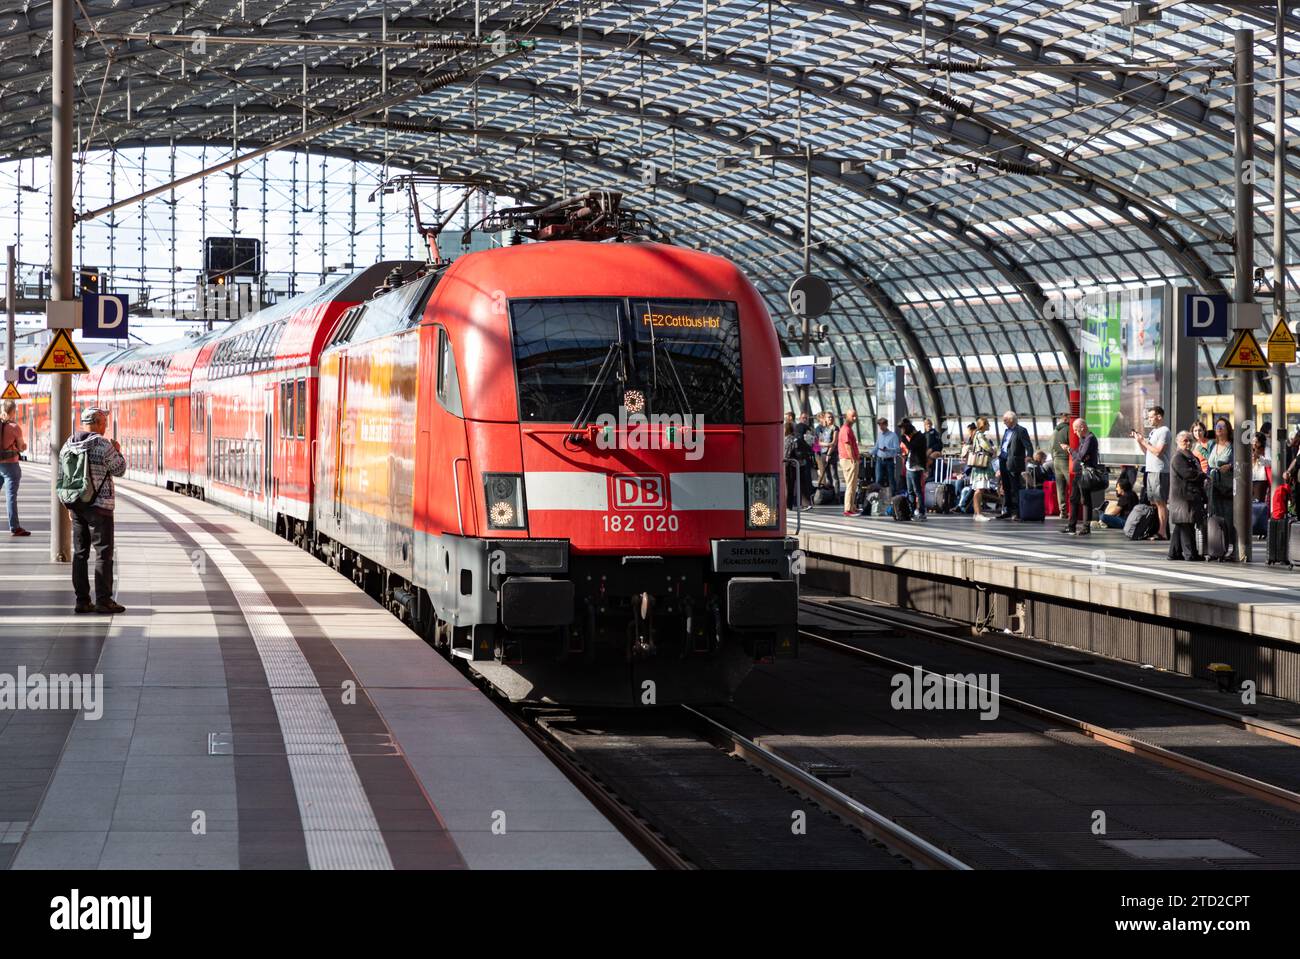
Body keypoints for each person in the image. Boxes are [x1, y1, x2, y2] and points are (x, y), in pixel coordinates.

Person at [61, 407, 127, 614]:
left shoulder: (68, 444)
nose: (106, 426)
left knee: (80, 553)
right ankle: (104, 600)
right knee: (103, 553)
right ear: (97, 423)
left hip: (76, 505)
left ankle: (82, 600)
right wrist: (117, 450)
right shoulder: (103, 445)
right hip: (101, 506)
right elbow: (120, 469)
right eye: (104, 423)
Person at [1132, 405, 1170, 540]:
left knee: (1161, 501)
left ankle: (1162, 532)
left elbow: (1158, 452)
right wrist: (1139, 442)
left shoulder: (1164, 431)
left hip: (1159, 470)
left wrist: (1144, 442)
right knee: (1154, 501)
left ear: (1159, 417)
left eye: (1151, 417)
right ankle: (1157, 529)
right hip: (1151, 469)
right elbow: (1148, 452)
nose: (1149, 420)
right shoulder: (1154, 432)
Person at [1168, 430, 1206, 561]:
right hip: (1182, 498)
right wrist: (1203, 475)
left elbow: (1197, 472)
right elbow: (1189, 474)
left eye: (1190, 440)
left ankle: (1174, 553)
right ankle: (1191, 554)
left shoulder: (1192, 457)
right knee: (1186, 524)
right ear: (1178, 442)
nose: (1188, 443)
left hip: (1190, 496)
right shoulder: (1178, 457)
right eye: (1185, 441)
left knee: (1181, 525)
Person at [1063, 418, 1098, 536]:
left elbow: (1080, 456)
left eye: (1075, 429)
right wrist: (1075, 454)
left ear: (1082, 427)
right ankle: (1071, 526)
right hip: (1079, 473)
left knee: (1085, 499)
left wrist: (1069, 449)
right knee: (1073, 498)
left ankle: (1086, 527)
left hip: (1085, 473)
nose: (1074, 432)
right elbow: (1078, 456)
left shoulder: (1090, 439)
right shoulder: (1083, 439)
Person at [996, 410, 1033, 520]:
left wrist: (1029, 455)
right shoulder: (1007, 431)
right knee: (1006, 487)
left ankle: (1016, 511)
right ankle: (1007, 510)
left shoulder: (1021, 430)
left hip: (1013, 462)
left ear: (1011, 420)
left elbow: (1028, 445)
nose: (1004, 422)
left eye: (1005, 420)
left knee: (1014, 487)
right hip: (1003, 460)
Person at [0, 398, 30, 536]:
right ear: (13, 411)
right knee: (11, 496)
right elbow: (21, 447)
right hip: (11, 465)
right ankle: (15, 527)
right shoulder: (14, 427)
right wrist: (23, 446)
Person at [965, 416, 996, 521]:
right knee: (979, 490)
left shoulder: (976, 435)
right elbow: (987, 447)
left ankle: (977, 513)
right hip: (981, 466)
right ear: (983, 425)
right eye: (987, 423)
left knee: (978, 490)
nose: (989, 425)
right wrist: (993, 450)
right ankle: (978, 513)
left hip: (978, 466)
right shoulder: (980, 435)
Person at [1206, 417, 1234, 526]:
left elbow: (1239, 463)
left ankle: (1228, 535)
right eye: (1217, 426)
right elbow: (1209, 464)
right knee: (1214, 510)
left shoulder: (1232, 445)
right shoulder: (1212, 444)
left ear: (1228, 429)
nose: (1219, 429)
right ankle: (1216, 535)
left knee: (1226, 510)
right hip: (1213, 483)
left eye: (1222, 427)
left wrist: (1230, 466)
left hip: (1227, 484)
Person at [783, 420, 814, 511]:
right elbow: (811, 449)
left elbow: (786, 453)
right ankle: (806, 503)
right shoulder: (798, 438)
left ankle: (788, 505)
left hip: (790, 465)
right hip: (801, 464)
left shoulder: (788, 439)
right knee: (802, 484)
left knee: (790, 486)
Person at [900, 420, 928, 522]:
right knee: (910, 491)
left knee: (917, 491)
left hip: (916, 468)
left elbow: (912, 448)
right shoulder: (914, 437)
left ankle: (921, 512)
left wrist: (904, 439)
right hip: (909, 467)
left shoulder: (920, 437)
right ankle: (912, 512)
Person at [838, 409, 861, 516]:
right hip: (848, 460)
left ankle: (852, 506)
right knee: (850, 485)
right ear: (847, 417)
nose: (855, 418)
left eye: (855, 416)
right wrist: (853, 459)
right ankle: (848, 509)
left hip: (850, 459)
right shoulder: (845, 430)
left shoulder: (848, 429)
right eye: (853, 416)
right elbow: (847, 445)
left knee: (853, 484)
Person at [1051, 411, 1071, 516]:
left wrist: (1054, 457)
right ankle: (1073, 510)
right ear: (1066, 419)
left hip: (1056, 460)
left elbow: (1051, 447)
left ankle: (1062, 511)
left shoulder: (1055, 431)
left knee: (1060, 488)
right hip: (1066, 460)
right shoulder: (1068, 429)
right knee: (1072, 485)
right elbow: (1072, 444)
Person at [872, 417, 900, 491]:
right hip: (879, 460)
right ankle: (877, 497)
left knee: (891, 480)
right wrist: (869, 453)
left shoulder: (893, 436)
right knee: (878, 479)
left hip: (889, 461)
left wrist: (888, 449)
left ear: (886, 425)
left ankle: (893, 497)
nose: (881, 427)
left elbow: (897, 449)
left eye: (882, 425)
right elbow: (876, 447)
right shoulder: (879, 435)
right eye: (879, 425)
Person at [813, 412, 835, 488]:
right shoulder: (819, 428)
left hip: (824, 452)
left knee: (826, 472)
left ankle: (825, 487)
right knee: (822, 472)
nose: (826, 418)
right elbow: (820, 441)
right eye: (824, 417)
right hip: (819, 452)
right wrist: (830, 444)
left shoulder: (827, 428)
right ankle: (821, 489)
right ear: (820, 419)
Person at [1251, 434, 1272, 503]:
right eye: (1253, 441)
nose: (1254, 444)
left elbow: (1269, 463)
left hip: (1261, 479)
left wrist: (1259, 457)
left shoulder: (1266, 450)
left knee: (1258, 503)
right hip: (1250, 478)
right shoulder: (1250, 450)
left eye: (1256, 442)